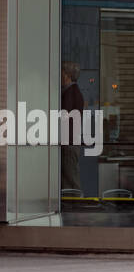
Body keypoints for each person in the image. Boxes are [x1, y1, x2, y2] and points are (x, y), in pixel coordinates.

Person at [60, 61, 84, 193]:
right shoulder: (72, 91)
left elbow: (64, 116)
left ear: (67, 75)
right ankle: (72, 204)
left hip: (68, 143)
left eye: (61, 73)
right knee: (67, 178)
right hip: (69, 142)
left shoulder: (71, 93)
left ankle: (77, 205)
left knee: (71, 178)